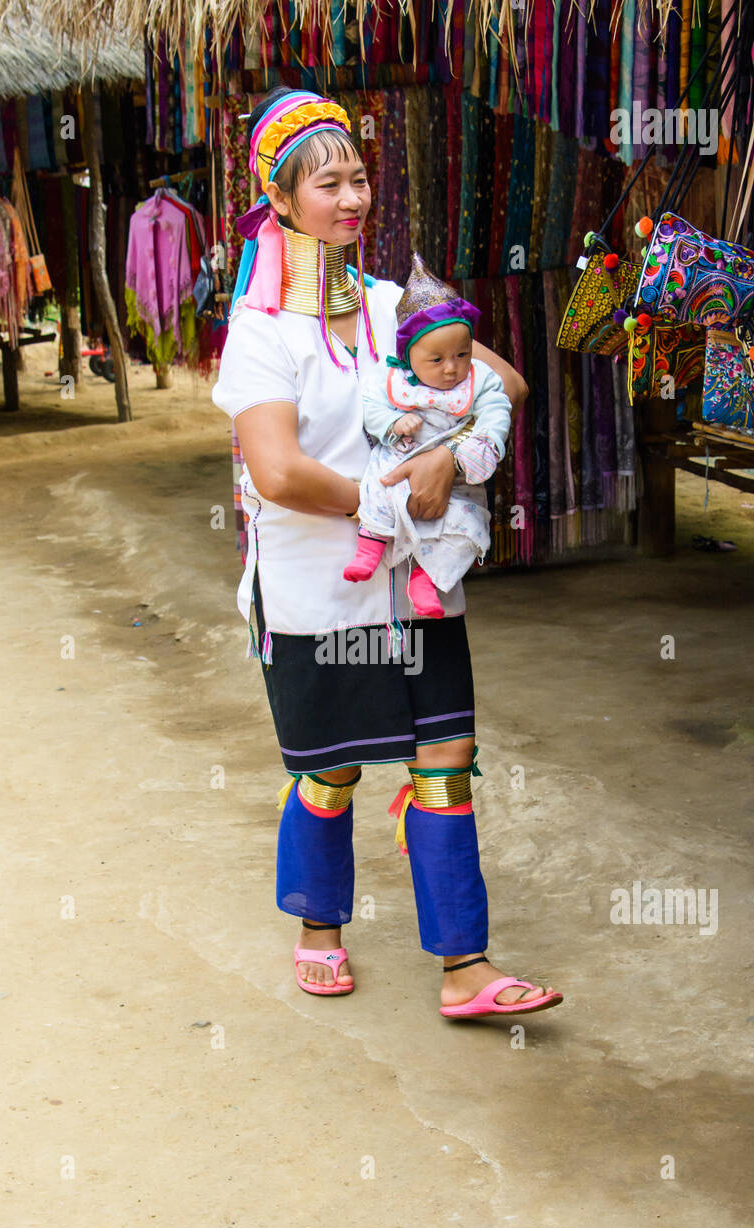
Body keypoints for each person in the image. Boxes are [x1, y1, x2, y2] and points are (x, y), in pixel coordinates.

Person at [212, 86, 563, 1020]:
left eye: (360, 177)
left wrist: (448, 447)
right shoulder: (259, 333)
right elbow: (279, 473)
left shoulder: (391, 305)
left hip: (416, 587)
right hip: (315, 592)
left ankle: (465, 970)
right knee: (328, 774)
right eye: (327, 183)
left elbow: (510, 385)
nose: (353, 197)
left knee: (445, 766)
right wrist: (389, 492)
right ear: (280, 202)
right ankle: (320, 929)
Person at [344, 251, 512, 619]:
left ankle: (426, 578)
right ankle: (370, 546)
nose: (452, 369)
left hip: (457, 474)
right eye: (436, 360)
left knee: (464, 524)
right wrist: (391, 423)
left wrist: (481, 441)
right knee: (378, 486)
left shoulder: (478, 378)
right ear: (407, 356)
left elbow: (500, 404)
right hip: (399, 458)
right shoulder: (394, 380)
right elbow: (371, 404)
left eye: (462, 354)